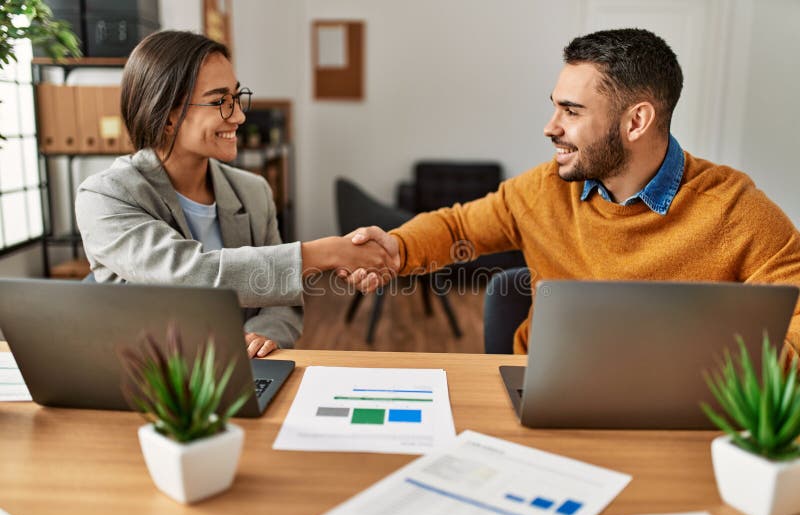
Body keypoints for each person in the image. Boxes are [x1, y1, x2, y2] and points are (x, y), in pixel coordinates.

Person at [347, 28, 800, 357]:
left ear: (636, 121)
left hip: (675, 419)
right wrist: (399, 246)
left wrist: (733, 376)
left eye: (572, 111)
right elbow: (458, 226)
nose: (551, 127)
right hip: (541, 399)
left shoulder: (733, 211)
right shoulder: (544, 190)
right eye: (555, 107)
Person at [75, 31, 396, 358]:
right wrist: (326, 252)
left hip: (243, 376)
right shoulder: (105, 196)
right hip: (144, 385)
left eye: (237, 97)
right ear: (168, 115)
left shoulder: (253, 192)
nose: (240, 116)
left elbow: (284, 301)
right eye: (219, 102)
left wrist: (265, 334)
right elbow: (189, 274)